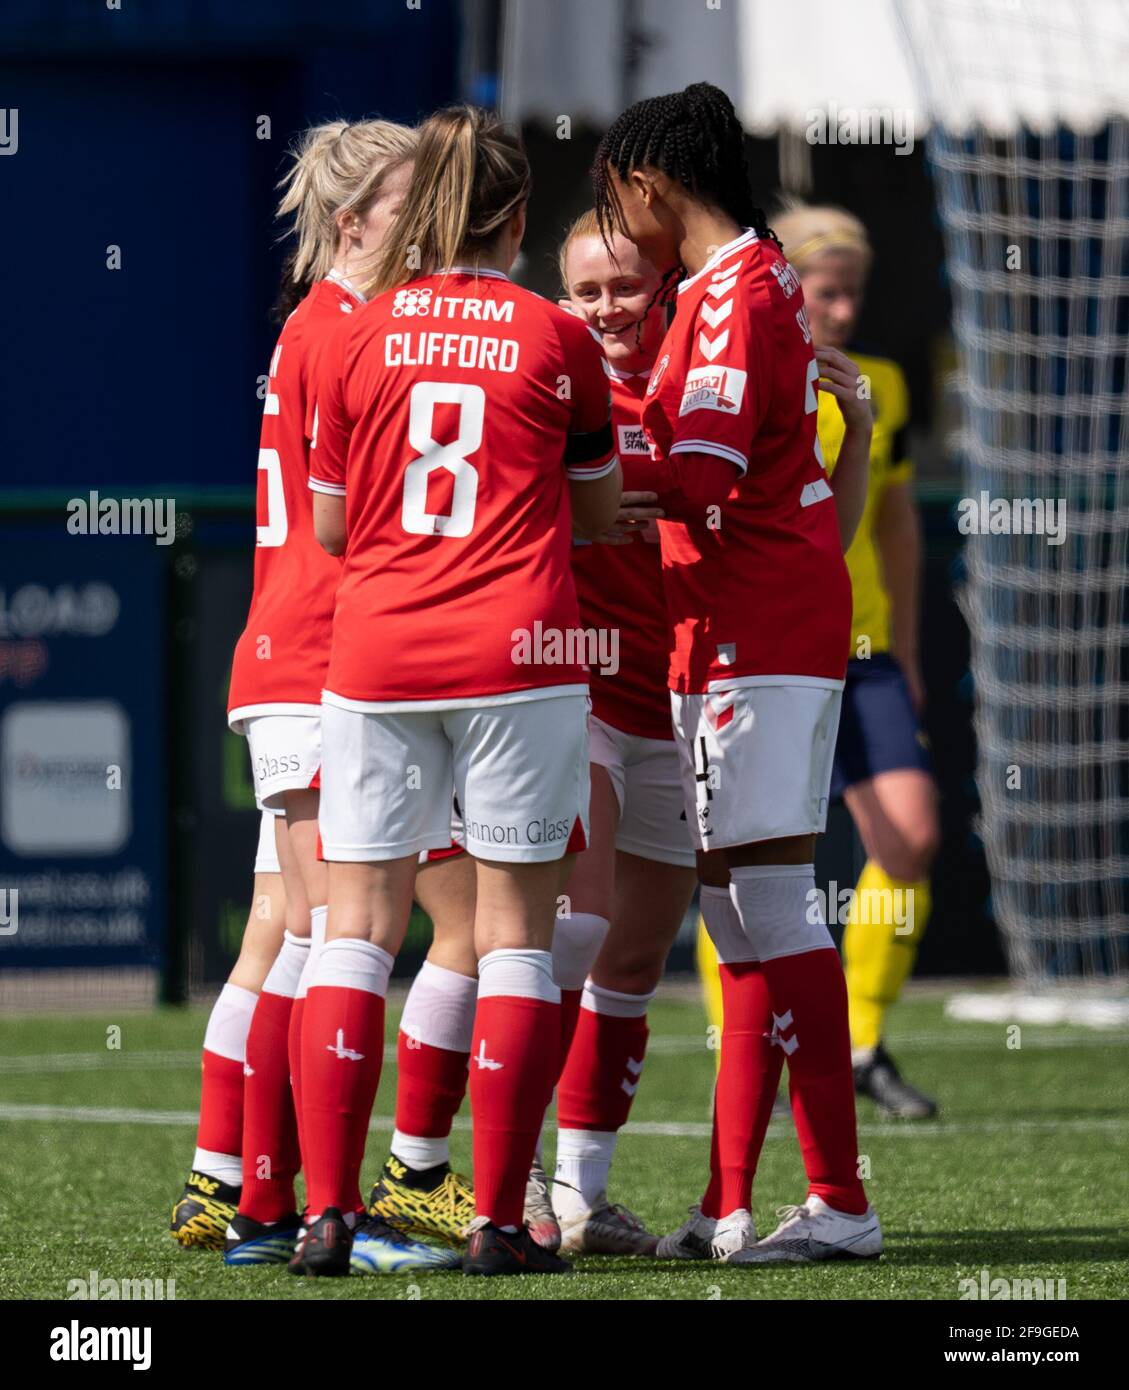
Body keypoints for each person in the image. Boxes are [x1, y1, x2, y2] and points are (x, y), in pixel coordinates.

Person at [290, 105, 621, 1278]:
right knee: (516, 935)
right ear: (520, 217)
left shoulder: (355, 333)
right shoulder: (553, 336)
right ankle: (492, 1221)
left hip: (376, 652)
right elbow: (592, 511)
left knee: (354, 932)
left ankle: (327, 1212)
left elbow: (328, 524)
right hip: (519, 655)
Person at [592, 81, 882, 1264]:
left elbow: (703, 482)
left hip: (757, 630)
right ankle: (726, 1205)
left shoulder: (729, 298)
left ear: (654, 185)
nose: (617, 225)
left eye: (618, 199)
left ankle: (841, 1203)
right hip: (729, 627)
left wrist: (563, 472)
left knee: (767, 904)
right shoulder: (732, 286)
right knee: (735, 914)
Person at [217, 118, 474, 1271]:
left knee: (305, 934)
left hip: (304, 658)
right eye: (409, 201)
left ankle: (261, 1201)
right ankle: (368, 1200)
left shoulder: (319, 325)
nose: (431, 221)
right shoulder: (355, 327)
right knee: (399, 930)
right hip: (330, 659)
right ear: (347, 220)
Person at [697, 205, 940, 1119]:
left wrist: (907, 647)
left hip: (861, 651)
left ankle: (863, 1034)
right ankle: (741, 1036)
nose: (840, 311)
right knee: (736, 859)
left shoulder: (880, 385)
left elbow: (895, 523)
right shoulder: (744, 377)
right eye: (824, 291)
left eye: (853, 294)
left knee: (908, 838)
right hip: (764, 650)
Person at [547, 210, 697, 1255]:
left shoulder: (704, 387)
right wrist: (589, 513)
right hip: (574, 692)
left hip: (682, 697)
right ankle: (509, 1189)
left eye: (625, 286)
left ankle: (581, 1196)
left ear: (667, 284)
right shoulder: (549, 386)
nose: (606, 307)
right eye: (586, 288)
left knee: (637, 954)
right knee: (571, 926)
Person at [169, 811, 285, 1248]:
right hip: (328, 749)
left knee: (272, 939)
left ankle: (216, 1180)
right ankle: (413, 1172)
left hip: (285, 747)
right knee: (343, 932)